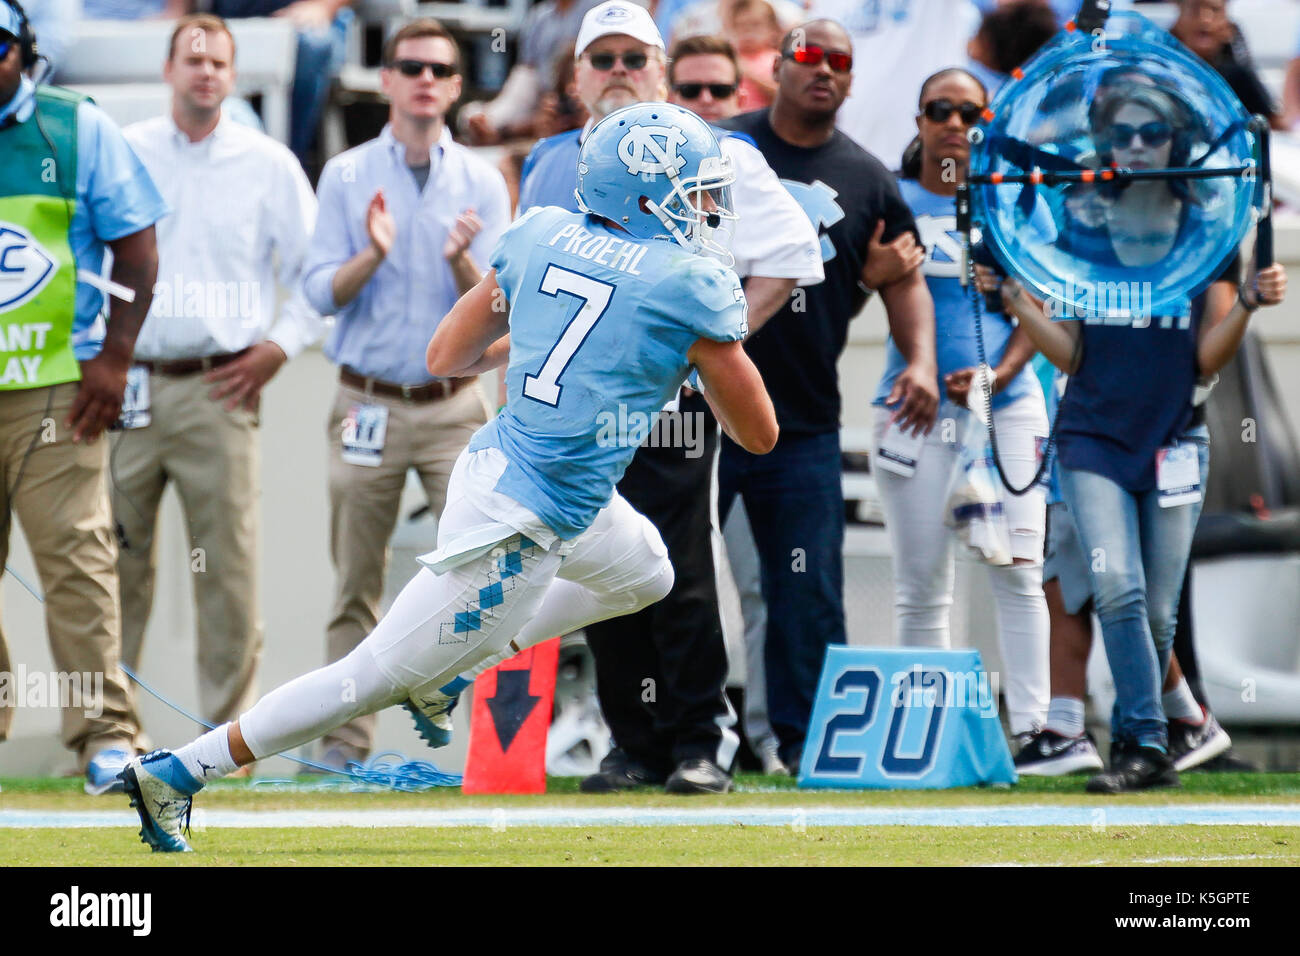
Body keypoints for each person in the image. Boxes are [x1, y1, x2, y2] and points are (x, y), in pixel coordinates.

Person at [121, 102, 778, 852]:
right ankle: (179, 769)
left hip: (495, 467)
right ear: (644, 193)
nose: (709, 209)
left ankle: (451, 668)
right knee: (364, 680)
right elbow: (758, 436)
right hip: (520, 529)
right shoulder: (685, 285)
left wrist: (553, 348)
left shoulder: (544, 235)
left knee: (648, 570)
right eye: (695, 192)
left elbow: (445, 357)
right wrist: (689, 359)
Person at [503, 3, 821, 795]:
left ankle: (696, 736)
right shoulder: (547, 159)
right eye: (601, 58)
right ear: (575, 77)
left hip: (668, 400)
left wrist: (704, 352)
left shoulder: (714, 151)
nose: (617, 71)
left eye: (632, 57)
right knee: (595, 563)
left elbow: (791, 254)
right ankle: (631, 739)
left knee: (677, 557)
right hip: (578, 403)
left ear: (662, 67)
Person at [989, 76, 1288, 788]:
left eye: (1149, 132)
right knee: (1115, 586)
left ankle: (1153, 739)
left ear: (1175, 140)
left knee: (1157, 612)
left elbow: (1204, 360)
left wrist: (1245, 304)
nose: (1134, 146)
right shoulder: (1082, 228)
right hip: (1092, 432)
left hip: (1176, 437)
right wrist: (1014, 304)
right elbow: (1073, 354)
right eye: (1119, 134)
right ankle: (1143, 743)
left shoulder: (1208, 231)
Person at [721, 19, 938, 769]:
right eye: (809, 57)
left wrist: (922, 364)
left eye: (839, 61)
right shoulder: (723, 149)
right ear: (775, 66)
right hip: (699, 414)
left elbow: (907, 277)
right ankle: (668, 742)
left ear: (852, 79)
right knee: (670, 580)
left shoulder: (870, 178)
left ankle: (809, 744)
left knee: (807, 591)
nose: (824, 70)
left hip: (801, 423)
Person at [299, 18, 510, 770]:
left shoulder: (483, 179)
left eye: (439, 69)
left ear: (456, 86)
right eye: (409, 65)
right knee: (356, 581)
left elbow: (504, 307)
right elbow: (319, 291)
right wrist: (371, 256)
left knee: (484, 575)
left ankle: (482, 753)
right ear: (385, 79)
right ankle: (341, 751)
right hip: (368, 402)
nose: (424, 79)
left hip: (454, 405)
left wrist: (461, 265)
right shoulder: (348, 173)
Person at [114, 14, 322, 748]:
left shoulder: (268, 163)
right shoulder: (126, 153)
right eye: (193, 59)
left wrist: (278, 347)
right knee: (114, 566)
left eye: (218, 63)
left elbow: (316, 277)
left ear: (233, 76)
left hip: (219, 386)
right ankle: (113, 739)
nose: (205, 72)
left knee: (227, 574)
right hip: (127, 386)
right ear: (169, 69)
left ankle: (224, 749)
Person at [0, 0, 166, 793]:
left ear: (26, 52)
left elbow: (137, 248)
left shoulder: (76, 128)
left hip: (57, 388)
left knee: (76, 562)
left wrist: (115, 359)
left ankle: (105, 733)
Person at [872, 68, 1049, 746]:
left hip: (1008, 408)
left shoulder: (1016, 201)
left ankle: (1036, 730)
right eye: (937, 108)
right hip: (916, 410)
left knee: (1018, 571)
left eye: (966, 109)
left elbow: (1045, 306)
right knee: (922, 584)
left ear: (987, 120)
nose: (952, 120)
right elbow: (863, 285)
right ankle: (929, 734)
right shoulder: (893, 198)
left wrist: (996, 376)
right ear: (918, 121)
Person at [1169, 0, 1281, 130]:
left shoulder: (1240, 77)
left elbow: (1273, 126)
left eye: (1215, 10)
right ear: (1178, 23)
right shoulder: (1160, 74)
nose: (1205, 19)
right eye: (1194, 9)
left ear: (1227, 28)